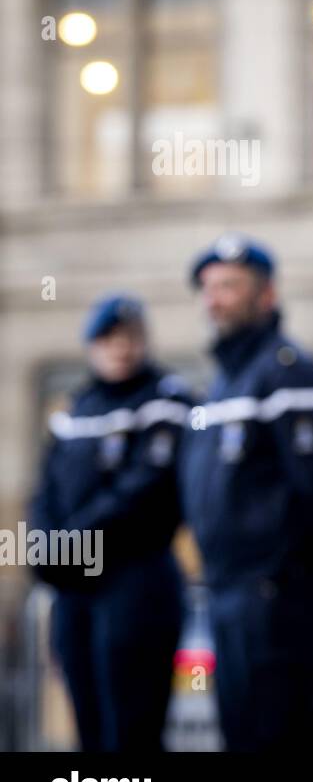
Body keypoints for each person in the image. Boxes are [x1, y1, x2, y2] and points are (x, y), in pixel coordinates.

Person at [180, 233, 313, 751]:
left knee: (274, 734)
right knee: (241, 734)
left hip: (273, 595)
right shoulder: (223, 383)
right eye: (209, 288)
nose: (215, 300)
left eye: (230, 286)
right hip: (226, 590)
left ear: (266, 295)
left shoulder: (285, 369)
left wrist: (289, 571)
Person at [27, 294, 190, 751]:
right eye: (109, 339)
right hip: (76, 589)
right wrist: (43, 551)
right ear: (91, 346)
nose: (121, 348)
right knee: (89, 725)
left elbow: (140, 493)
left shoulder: (166, 400)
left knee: (132, 727)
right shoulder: (73, 412)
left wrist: (70, 545)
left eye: (131, 337)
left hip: (136, 582)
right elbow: (44, 494)